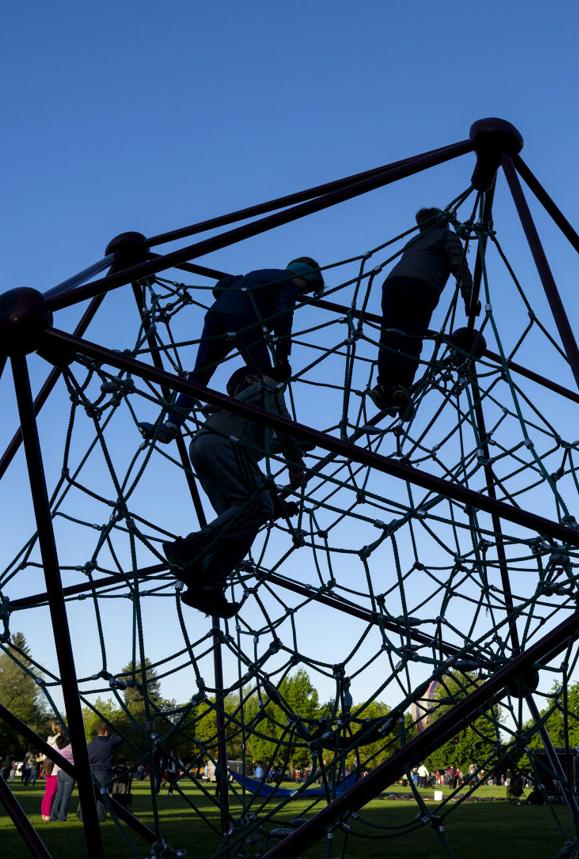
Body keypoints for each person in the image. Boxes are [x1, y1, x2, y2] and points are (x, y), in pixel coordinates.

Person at [162, 367, 306, 617]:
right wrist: (295, 463)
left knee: (242, 521)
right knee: (256, 508)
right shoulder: (266, 385)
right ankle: (191, 546)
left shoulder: (236, 410)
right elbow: (282, 421)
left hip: (201, 447)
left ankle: (208, 584)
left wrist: (276, 503)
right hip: (225, 443)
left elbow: (249, 468)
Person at [143, 258, 324, 444]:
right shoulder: (288, 281)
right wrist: (283, 355)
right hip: (246, 321)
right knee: (268, 378)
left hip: (216, 316)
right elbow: (284, 315)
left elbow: (221, 286)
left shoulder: (258, 272)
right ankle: (278, 433)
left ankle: (171, 425)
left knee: (200, 374)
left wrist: (234, 299)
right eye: (306, 288)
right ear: (303, 276)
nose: (303, 292)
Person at [369, 208, 473, 417]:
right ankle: (401, 386)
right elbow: (458, 263)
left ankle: (384, 386)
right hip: (421, 285)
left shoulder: (416, 240)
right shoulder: (446, 235)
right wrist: (468, 296)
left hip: (392, 285)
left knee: (390, 335)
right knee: (412, 336)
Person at [87, 722, 123, 817]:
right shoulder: (109, 743)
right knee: (102, 795)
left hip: (91, 772)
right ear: (106, 732)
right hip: (103, 772)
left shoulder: (90, 745)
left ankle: (84, 815)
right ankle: (100, 815)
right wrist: (113, 733)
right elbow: (120, 739)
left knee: (92, 795)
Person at [41, 721, 62, 820]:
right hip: (56, 769)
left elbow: (44, 756)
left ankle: (44, 813)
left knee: (48, 792)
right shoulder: (59, 741)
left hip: (49, 768)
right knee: (52, 792)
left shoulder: (49, 740)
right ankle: (48, 814)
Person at [50, 735, 75, 822]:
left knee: (59, 795)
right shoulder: (71, 747)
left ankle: (53, 816)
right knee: (66, 796)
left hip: (60, 772)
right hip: (70, 772)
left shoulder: (57, 749)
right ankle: (62, 817)